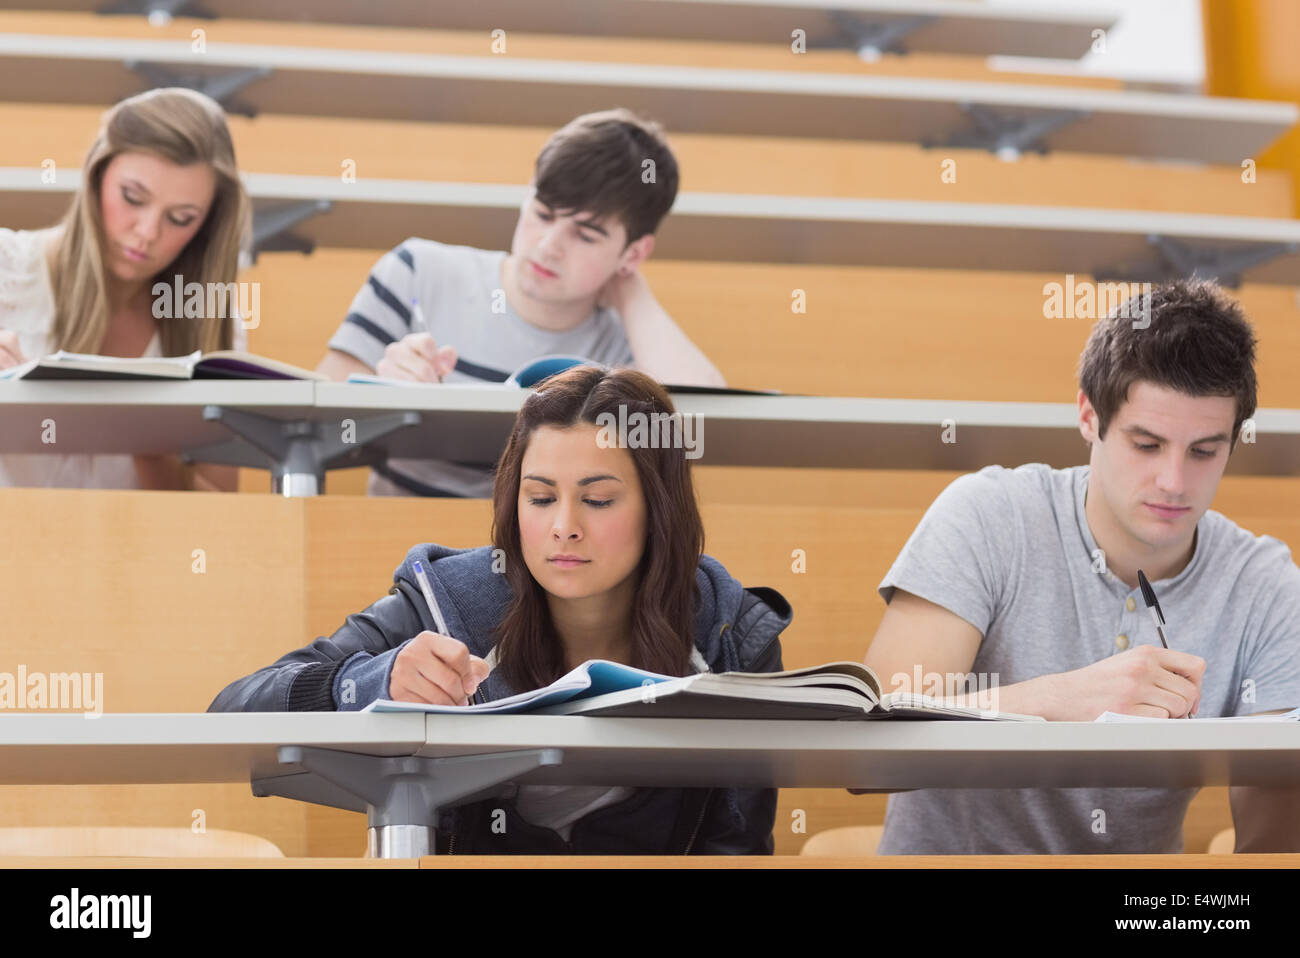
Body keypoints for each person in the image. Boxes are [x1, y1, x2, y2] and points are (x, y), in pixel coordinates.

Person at [210, 365, 791, 854]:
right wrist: (369, 681)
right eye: (539, 498)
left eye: (597, 500)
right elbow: (232, 713)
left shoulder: (729, 635)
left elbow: (736, 853)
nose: (563, 527)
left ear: (658, 510)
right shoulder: (446, 602)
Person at [863, 279, 1300, 854]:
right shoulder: (989, 515)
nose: (1174, 482)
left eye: (1204, 451)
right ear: (1089, 417)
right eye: (1146, 444)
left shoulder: (1266, 583)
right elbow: (869, 751)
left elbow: (1271, 845)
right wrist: (1057, 701)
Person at [314, 107, 726, 498]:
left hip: (546, 563)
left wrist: (631, 292)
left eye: (585, 235)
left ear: (633, 254)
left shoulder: (629, 351)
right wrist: (382, 397)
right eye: (543, 214)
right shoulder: (417, 272)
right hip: (402, 551)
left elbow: (700, 432)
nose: (548, 247)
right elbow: (314, 428)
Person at [0, 87, 251, 491]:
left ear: (207, 225)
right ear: (97, 175)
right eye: (132, 198)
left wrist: (149, 444)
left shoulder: (206, 316)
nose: (148, 233)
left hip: (138, 552)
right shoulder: (6, 269)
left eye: (181, 218)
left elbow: (215, 514)